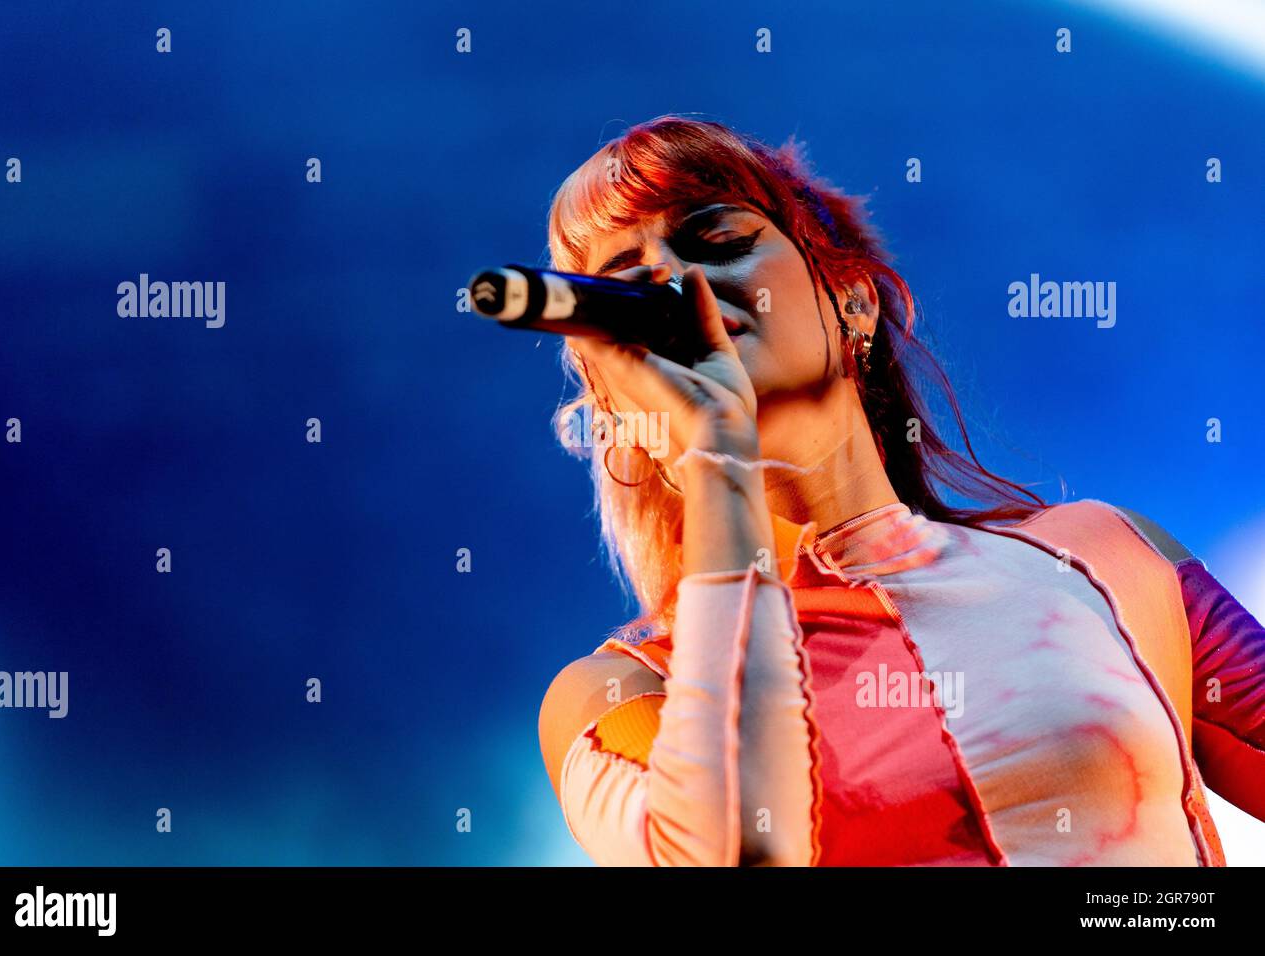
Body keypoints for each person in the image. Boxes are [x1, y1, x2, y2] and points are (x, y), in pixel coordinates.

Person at [535, 115, 1264, 866]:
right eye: (626, 283)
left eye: (717, 241)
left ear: (851, 297)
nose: (676, 284)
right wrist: (718, 453)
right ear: (616, 398)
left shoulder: (1104, 558)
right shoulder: (625, 692)